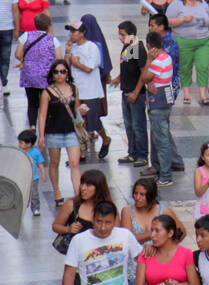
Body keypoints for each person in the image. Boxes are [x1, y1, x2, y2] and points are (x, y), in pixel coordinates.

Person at [167, 0, 209, 105]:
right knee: (185, 68)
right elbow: (168, 21)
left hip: (202, 41)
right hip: (183, 41)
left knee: (203, 67)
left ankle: (203, 94)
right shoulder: (177, 5)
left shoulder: (203, 4)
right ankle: (186, 94)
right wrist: (183, 19)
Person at [134, 32, 177, 185]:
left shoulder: (157, 60)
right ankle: (162, 171)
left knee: (161, 140)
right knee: (162, 137)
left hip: (158, 103)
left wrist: (149, 60)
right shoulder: (167, 57)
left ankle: (165, 176)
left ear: (148, 45)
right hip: (165, 99)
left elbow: (145, 77)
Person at [38, 57, 83, 200]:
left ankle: (77, 192)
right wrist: (42, 135)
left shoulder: (74, 89)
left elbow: (76, 111)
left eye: (63, 72)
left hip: (71, 131)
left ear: (67, 73)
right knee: (55, 162)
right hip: (54, 132)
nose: (59, 75)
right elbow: (42, 115)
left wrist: (82, 113)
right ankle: (56, 191)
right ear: (52, 74)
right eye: (56, 72)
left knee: (74, 163)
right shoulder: (47, 93)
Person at [65, 20, 110, 160]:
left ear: (82, 33)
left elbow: (89, 68)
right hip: (77, 90)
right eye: (70, 31)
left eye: (74, 31)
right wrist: (67, 54)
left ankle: (105, 138)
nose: (71, 34)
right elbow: (66, 67)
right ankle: (80, 152)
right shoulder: (72, 48)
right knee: (78, 120)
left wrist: (75, 63)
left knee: (93, 121)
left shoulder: (92, 47)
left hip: (90, 91)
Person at [110, 21, 149, 166]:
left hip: (135, 95)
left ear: (132, 35)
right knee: (129, 125)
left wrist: (136, 92)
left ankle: (142, 155)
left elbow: (143, 73)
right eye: (119, 35)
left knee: (138, 126)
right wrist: (117, 79)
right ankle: (132, 153)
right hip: (125, 92)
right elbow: (126, 66)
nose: (120, 38)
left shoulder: (138, 48)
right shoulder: (127, 48)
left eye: (123, 35)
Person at [16, 10, 61, 125]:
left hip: (29, 76)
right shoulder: (53, 40)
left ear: (35, 24)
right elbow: (59, 59)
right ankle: (45, 125)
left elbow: (17, 54)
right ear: (48, 26)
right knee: (45, 102)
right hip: (46, 77)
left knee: (32, 103)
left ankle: (32, 126)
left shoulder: (26, 36)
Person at [0, 0, 20, 96]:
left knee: (5, 57)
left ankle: (5, 82)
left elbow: (15, 10)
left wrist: (17, 28)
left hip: (6, 28)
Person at [18, 126, 46, 215]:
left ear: (29, 144)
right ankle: (21, 208)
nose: (19, 144)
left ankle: (36, 208)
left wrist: (43, 174)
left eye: (21, 142)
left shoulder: (36, 152)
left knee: (34, 194)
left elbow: (40, 164)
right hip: (22, 178)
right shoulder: (20, 152)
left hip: (33, 178)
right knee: (22, 194)